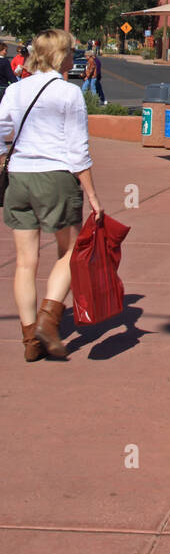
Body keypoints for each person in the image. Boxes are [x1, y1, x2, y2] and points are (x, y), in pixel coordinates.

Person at [0, 28, 102, 361]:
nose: (75, 55)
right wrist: (92, 196)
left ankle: (30, 340)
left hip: (19, 178)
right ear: (60, 55)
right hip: (55, 177)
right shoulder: (68, 93)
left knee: (26, 263)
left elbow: (2, 135)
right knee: (70, 252)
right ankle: (49, 317)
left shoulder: (15, 91)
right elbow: (77, 150)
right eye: (72, 51)